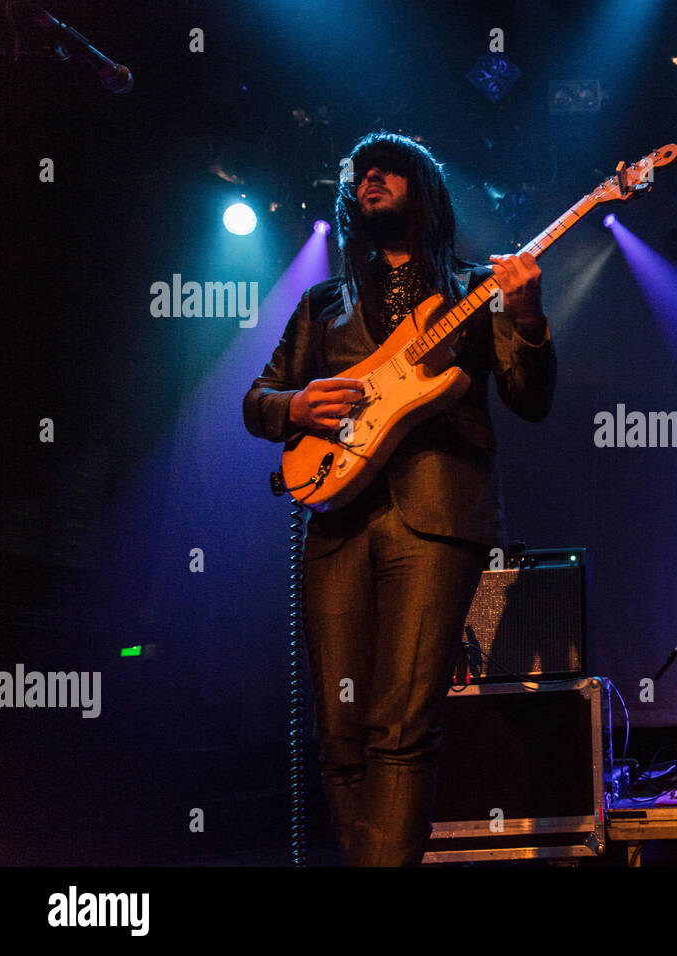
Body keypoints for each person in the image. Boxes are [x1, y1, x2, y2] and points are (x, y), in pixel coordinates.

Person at [242, 131, 556, 866]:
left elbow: (528, 398)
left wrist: (529, 320)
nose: (369, 177)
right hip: (337, 518)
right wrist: (295, 409)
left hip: (437, 512)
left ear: (422, 184)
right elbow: (256, 400)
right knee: (341, 729)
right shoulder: (324, 304)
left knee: (401, 725)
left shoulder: (478, 291)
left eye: (387, 167)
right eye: (360, 173)